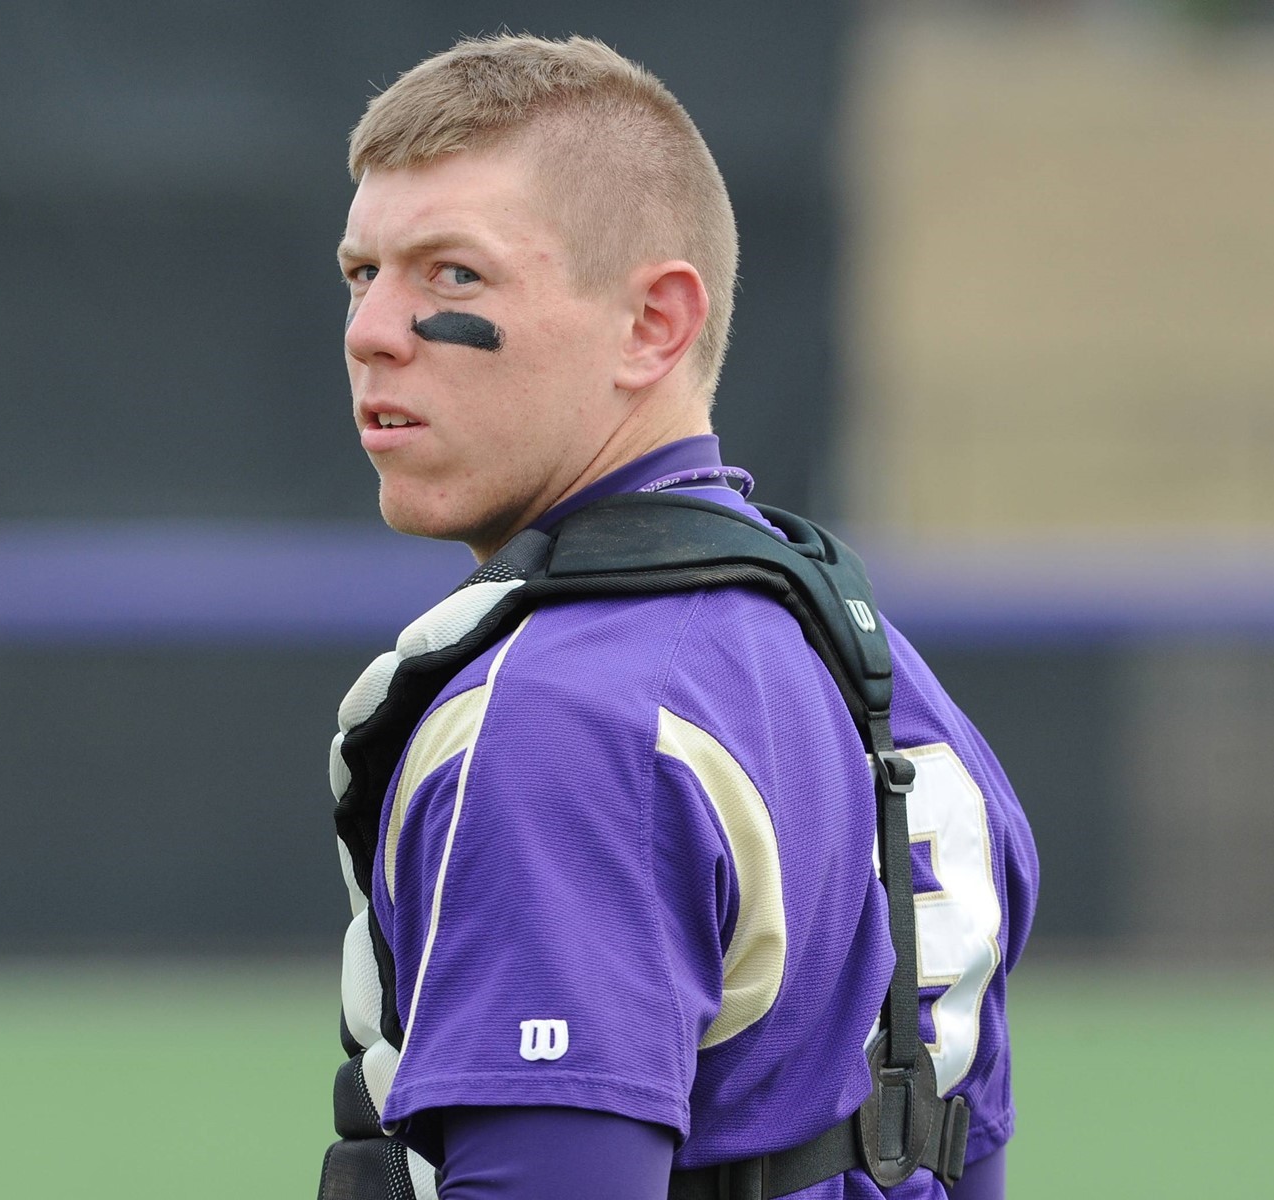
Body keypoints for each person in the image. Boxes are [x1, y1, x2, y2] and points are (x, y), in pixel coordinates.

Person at [325, 33, 1037, 1200]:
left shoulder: (562, 717)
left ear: (653, 323)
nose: (371, 331)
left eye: (452, 276)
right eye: (363, 273)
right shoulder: (877, 667)